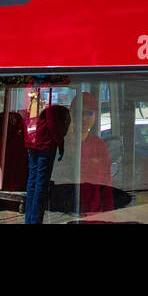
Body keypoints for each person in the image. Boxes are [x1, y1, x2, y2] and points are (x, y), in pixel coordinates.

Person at [23, 87, 70, 224]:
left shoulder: (33, 90)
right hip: (45, 142)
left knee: (33, 180)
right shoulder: (48, 91)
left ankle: (30, 219)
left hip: (32, 139)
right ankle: (36, 220)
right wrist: (60, 141)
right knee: (41, 183)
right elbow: (52, 121)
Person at [74, 93, 115, 216]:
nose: (84, 118)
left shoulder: (99, 146)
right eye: (79, 112)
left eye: (89, 113)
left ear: (96, 116)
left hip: (95, 215)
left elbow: (107, 186)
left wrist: (109, 217)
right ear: (72, 113)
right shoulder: (63, 146)